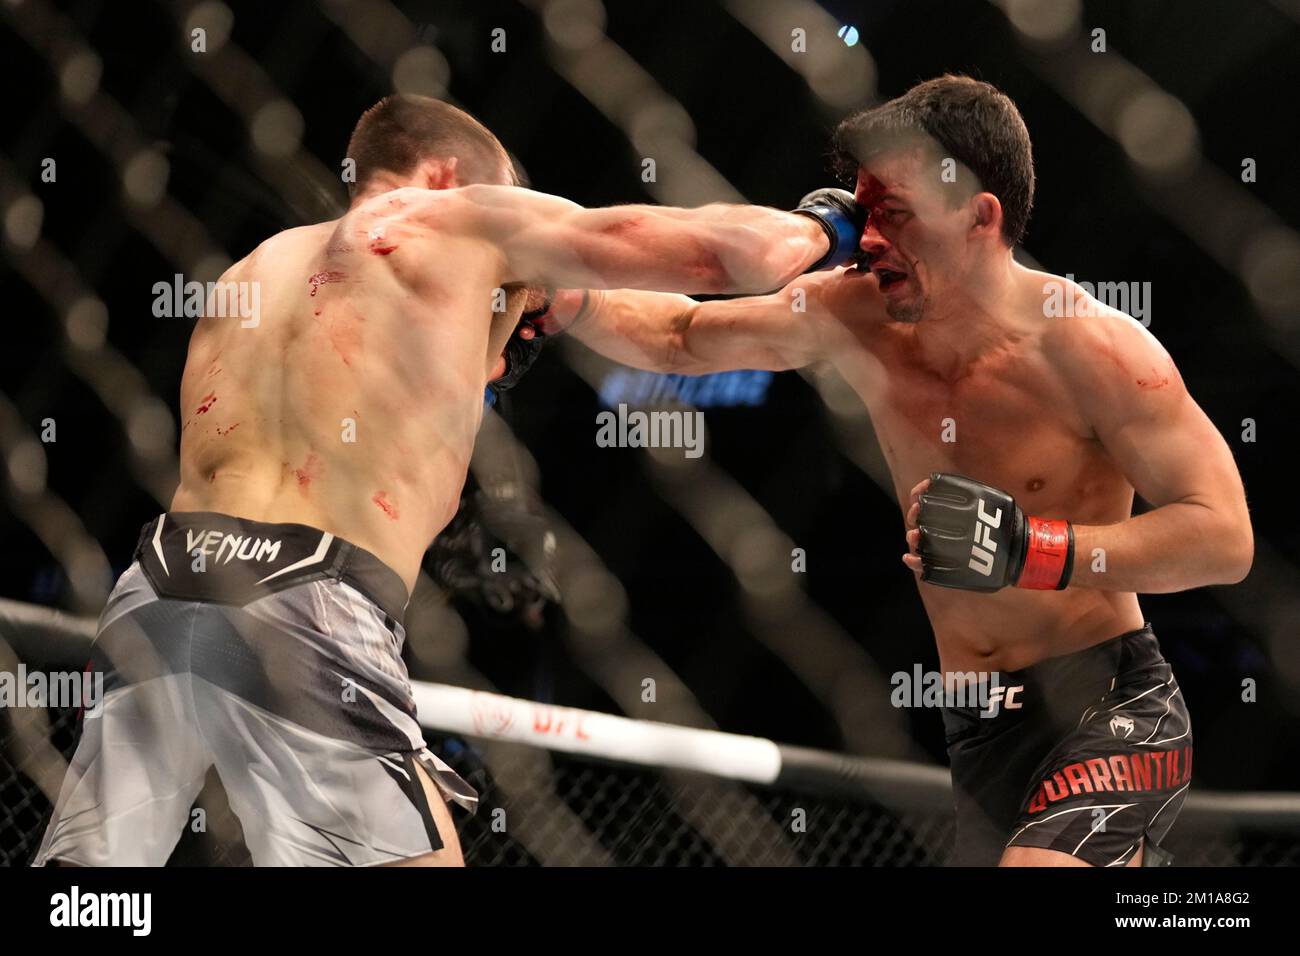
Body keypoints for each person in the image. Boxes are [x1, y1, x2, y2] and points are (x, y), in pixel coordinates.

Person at [33, 94, 860, 866]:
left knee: (89, 889)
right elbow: (733, 257)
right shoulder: (468, 217)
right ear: (448, 174)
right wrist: (836, 223)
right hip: (304, 589)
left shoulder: (253, 267)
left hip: (160, 583)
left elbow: (675, 335)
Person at [550, 76, 1253, 866]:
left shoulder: (1095, 351)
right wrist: (564, 296)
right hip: (977, 723)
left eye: (895, 214)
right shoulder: (859, 314)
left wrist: (1036, 550)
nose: (869, 239)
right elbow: (682, 335)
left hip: (1111, 701)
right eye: (861, 210)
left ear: (980, 217)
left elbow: (1224, 537)